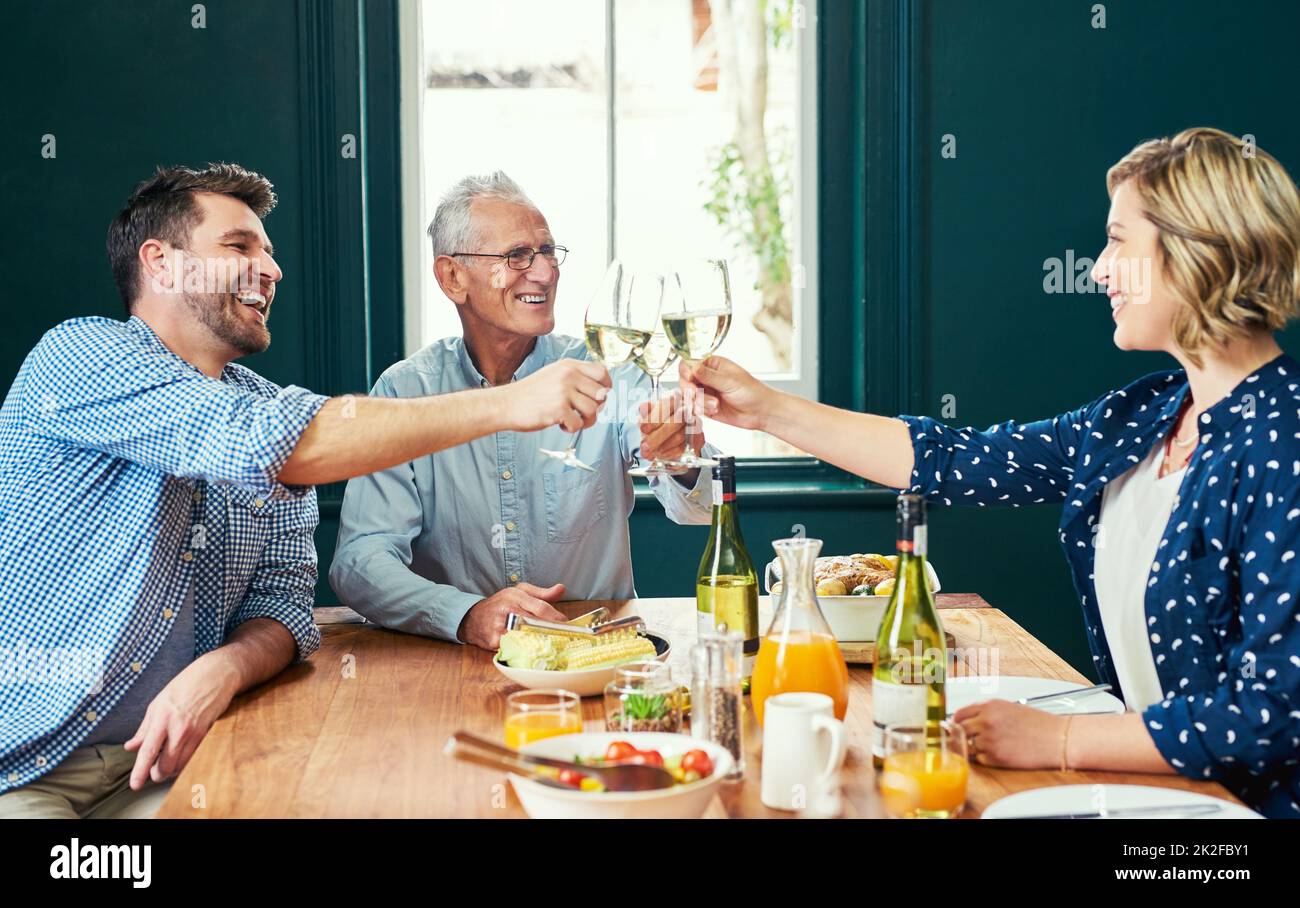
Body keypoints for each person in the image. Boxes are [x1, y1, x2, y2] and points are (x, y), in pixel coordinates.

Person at [678, 128, 1300, 817]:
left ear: (1195, 253)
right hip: (1166, 796)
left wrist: (1061, 738)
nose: (1098, 268)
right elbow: (955, 459)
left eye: (1119, 240)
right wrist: (766, 410)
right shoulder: (1144, 416)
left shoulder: (1286, 445)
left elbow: (1270, 717)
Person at [0, 163, 609, 818]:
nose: (271, 269)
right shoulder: (81, 358)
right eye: (239, 246)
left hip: (176, 760)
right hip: (29, 767)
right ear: (161, 263)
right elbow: (271, 443)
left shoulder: (262, 409)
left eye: (269, 249)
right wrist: (508, 405)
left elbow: (284, 607)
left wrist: (223, 669)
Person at [330, 172, 716, 650]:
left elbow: (699, 509)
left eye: (549, 252)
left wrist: (683, 453)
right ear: (453, 277)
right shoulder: (406, 390)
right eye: (517, 256)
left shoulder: (610, 370)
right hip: (455, 662)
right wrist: (465, 614)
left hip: (598, 653)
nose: (546, 273)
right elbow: (359, 562)